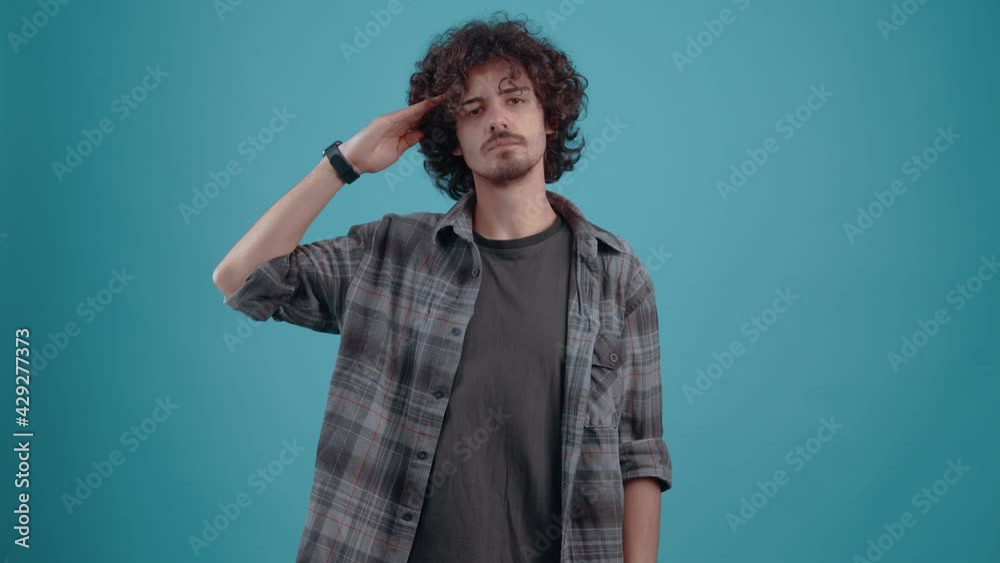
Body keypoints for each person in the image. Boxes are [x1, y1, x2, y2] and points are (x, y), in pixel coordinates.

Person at [213, 11, 671, 563]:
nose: (497, 119)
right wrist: (346, 161)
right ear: (453, 140)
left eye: (515, 98)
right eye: (473, 110)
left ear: (550, 116)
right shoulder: (390, 253)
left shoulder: (618, 274)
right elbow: (240, 279)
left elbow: (639, 454)